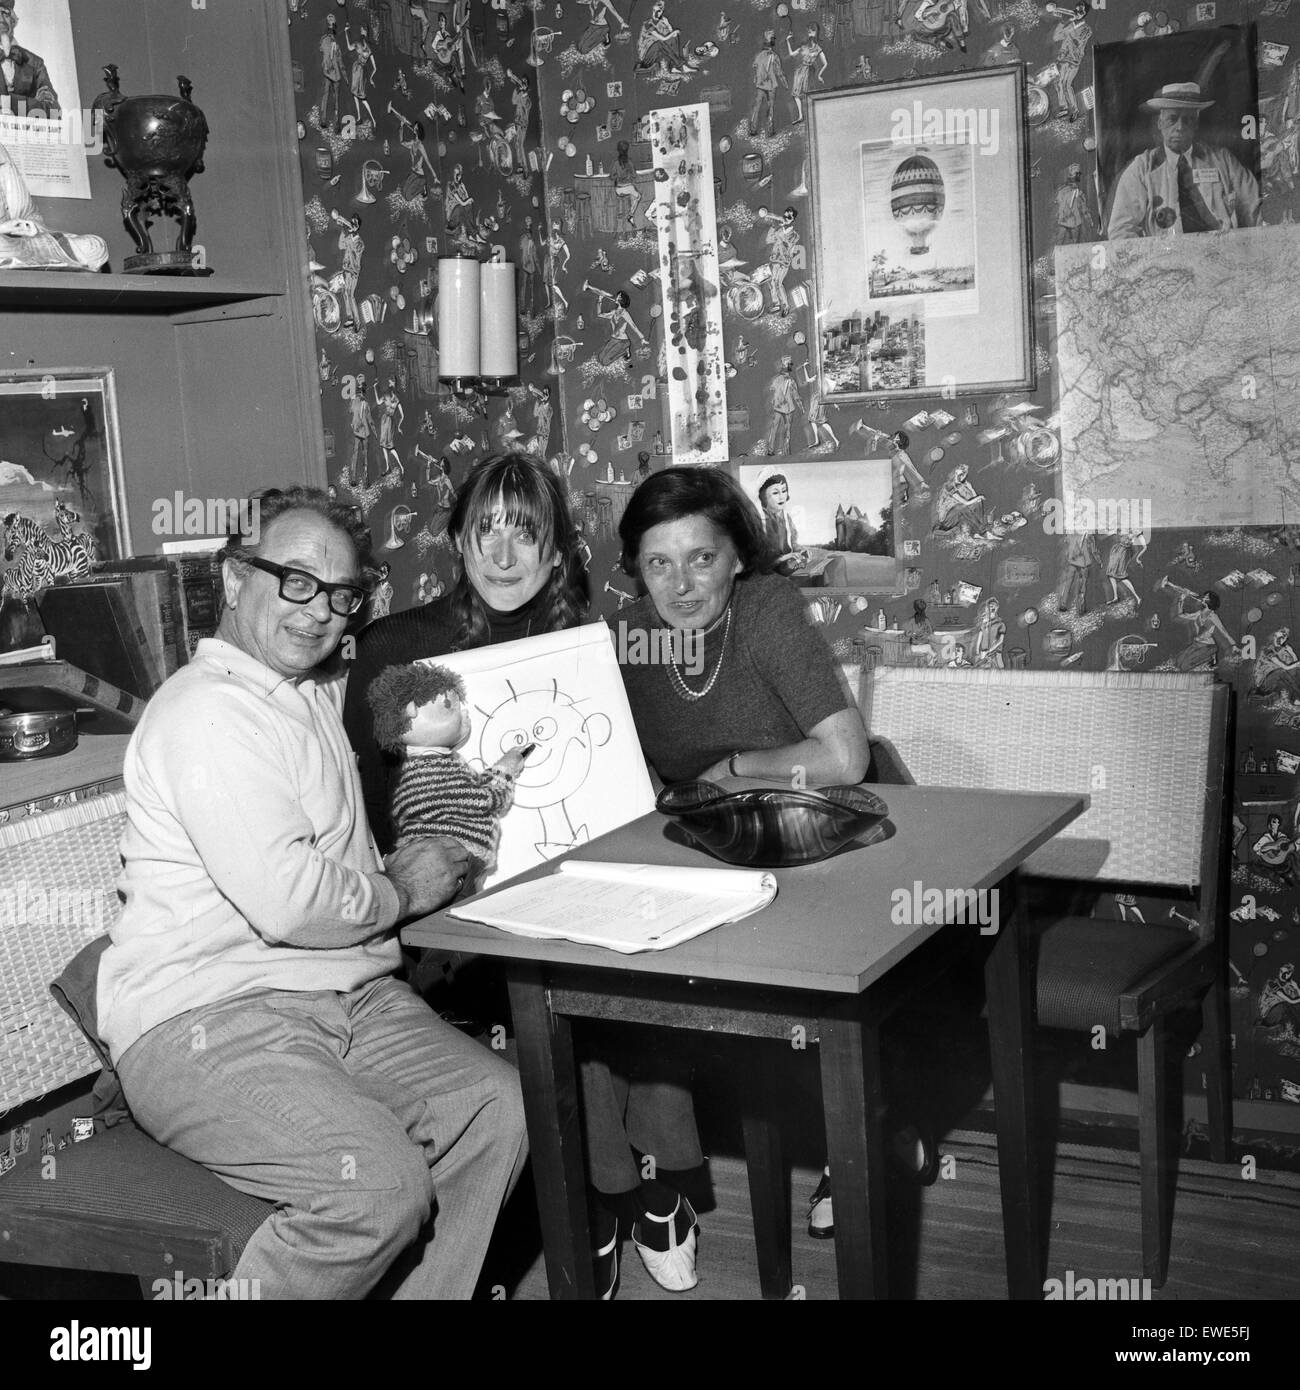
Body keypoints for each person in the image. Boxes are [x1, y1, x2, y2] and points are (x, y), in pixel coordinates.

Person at [95, 486, 528, 1299]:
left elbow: (418, 654)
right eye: (293, 579)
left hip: (347, 998)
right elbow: (291, 902)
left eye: (339, 594)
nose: (317, 610)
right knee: (374, 1187)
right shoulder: (205, 711)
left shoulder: (306, 689)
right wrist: (403, 887)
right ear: (232, 580)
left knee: (497, 1106)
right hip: (207, 1017)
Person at [588, 467, 869, 1296]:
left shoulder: (770, 610)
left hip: (819, 839)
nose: (681, 585)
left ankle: (861, 1142)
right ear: (635, 570)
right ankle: (636, 1191)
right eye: (658, 564)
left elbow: (845, 756)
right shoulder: (628, 636)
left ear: (738, 557)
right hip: (709, 854)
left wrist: (735, 768)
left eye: (701, 559)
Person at [343, 453, 587, 856]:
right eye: (486, 530)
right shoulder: (388, 649)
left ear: (559, 551)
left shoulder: (583, 650)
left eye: (526, 535)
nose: (504, 558)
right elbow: (368, 811)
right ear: (457, 539)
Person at [1107, 82, 1261, 239]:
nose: (1180, 127)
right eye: (1172, 119)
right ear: (1160, 123)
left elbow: (1255, 211)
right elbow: (1120, 230)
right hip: (1164, 259)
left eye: (1187, 120)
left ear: (1196, 124)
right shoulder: (1141, 168)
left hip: (1220, 255)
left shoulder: (1223, 161)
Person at [0, 0, 58, 113]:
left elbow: (53, 108)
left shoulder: (35, 62)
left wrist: (4, 101)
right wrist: (34, 102)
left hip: (26, 130)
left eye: (5, 14)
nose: (1, 20)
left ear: (12, 21)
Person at [1253, 627, 1300, 703]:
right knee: (1281, 672)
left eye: (1285, 637)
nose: (1282, 639)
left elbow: (1293, 665)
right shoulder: (1267, 649)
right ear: (1274, 636)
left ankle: (1295, 699)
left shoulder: (1283, 650)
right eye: (1280, 637)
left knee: (1295, 671)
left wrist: (1292, 653)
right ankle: (1298, 698)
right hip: (1263, 683)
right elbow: (1286, 667)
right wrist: (1296, 664)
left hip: (1277, 681)